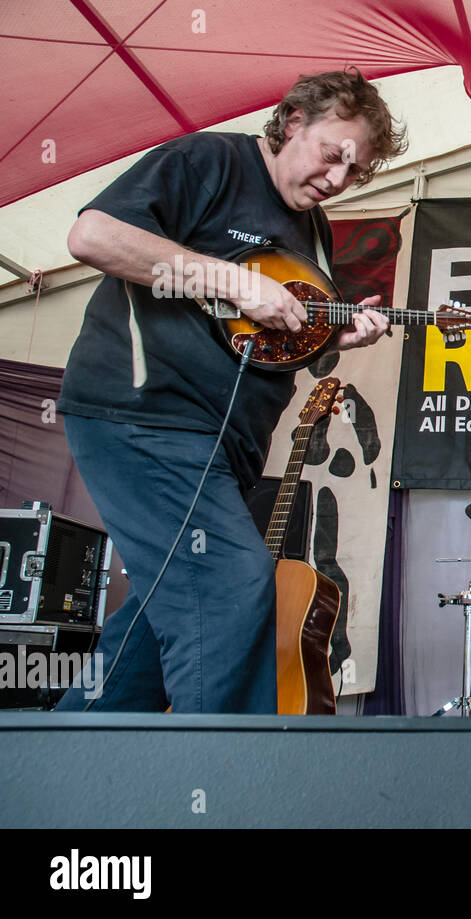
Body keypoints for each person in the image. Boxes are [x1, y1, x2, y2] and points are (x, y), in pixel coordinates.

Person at [55, 68, 407, 713]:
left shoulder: (317, 234)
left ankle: (60, 773)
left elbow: (273, 344)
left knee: (161, 620)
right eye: (332, 156)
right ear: (294, 122)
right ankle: (223, 791)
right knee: (233, 586)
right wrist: (230, 281)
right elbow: (94, 236)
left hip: (225, 451)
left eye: (354, 172)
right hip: (145, 416)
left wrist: (335, 340)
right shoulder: (210, 160)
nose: (336, 180)